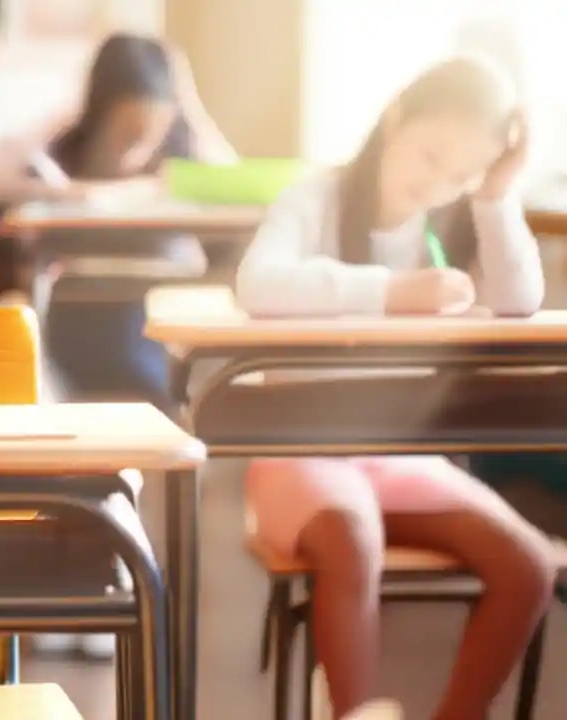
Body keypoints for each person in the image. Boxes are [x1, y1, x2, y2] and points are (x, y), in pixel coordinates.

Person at [236, 57, 555, 719]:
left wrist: (494, 196)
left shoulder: (457, 218)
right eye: (431, 156)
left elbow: (520, 300)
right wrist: (393, 292)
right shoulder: (315, 196)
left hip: (395, 458)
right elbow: (258, 282)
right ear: (395, 116)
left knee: (527, 563)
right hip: (298, 456)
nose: (437, 183)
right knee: (352, 536)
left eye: (460, 174)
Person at [0, 34, 235, 405]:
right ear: (100, 111)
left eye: (148, 133)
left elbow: (234, 180)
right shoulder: (67, 144)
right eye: (126, 132)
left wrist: (186, 100)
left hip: (160, 316)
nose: (135, 148)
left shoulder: (182, 151)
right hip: (81, 317)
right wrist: (69, 191)